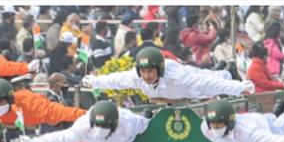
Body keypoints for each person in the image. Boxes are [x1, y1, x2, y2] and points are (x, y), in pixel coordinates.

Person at [82, 46, 254, 99]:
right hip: (172, 94)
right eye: (143, 71)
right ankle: (220, 69)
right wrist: (95, 81)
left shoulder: (179, 78)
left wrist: (239, 87)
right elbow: (116, 80)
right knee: (208, 75)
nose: (147, 76)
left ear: (159, 69)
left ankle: (229, 71)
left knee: (211, 80)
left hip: (192, 89)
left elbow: (209, 83)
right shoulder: (136, 76)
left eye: (150, 71)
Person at [19, 100, 149, 142]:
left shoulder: (128, 124)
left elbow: (150, 128)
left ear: (114, 124)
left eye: (104, 126)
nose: (99, 129)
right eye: (97, 125)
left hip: (132, 141)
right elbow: (60, 139)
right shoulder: (83, 127)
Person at [200, 99, 284, 142]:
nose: (215, 126)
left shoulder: (250, 133)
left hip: (262, 124)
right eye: (212, 122)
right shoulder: (206, 129)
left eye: (219, 122)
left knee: (279, 129)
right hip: (251, 119)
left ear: (229, 121)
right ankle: (277, 111)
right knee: (270, 118)